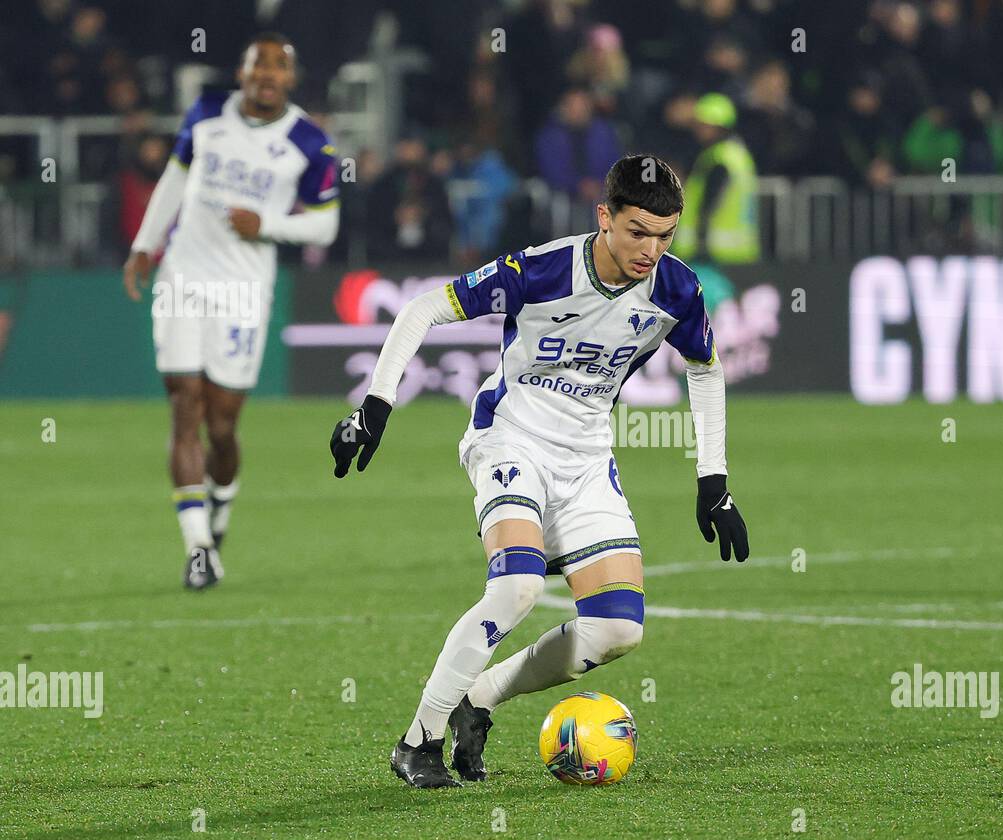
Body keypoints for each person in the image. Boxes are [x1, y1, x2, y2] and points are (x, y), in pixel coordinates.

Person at [330, 154, 750, 788]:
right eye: (637, 231)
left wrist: (712, 480)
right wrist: (376, 404)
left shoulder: (676, 290)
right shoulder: (543, 268)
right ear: (603, 217)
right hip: (510, 440)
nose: (650, 249)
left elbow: (706, 368)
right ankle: (420, 739)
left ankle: (481, 697)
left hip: (586, 462)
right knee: (517, 589)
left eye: (664, 235)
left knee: (617, 628)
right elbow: (422, 309)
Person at [123, 33, 339, 589]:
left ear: (290, 79)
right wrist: (145, 244)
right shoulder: (205, 113)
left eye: (278, 66)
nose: (266, 73)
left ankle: (219, 511)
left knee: (222, 424)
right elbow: (174, 179)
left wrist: (266, 225)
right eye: (257, 64)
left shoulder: (311, 143)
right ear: (242, 73)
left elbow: (324, 223)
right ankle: (197, 547)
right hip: (182, 278)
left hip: (244, 290)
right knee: (184, 406)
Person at [672, 93, 759, 265]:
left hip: (713, 251)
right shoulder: (737, 155)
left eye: (705, 126)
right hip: (738, 251)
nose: (699, 130)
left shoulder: (719, 158)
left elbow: (709, 204)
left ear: (720, 127)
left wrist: (700, 242)